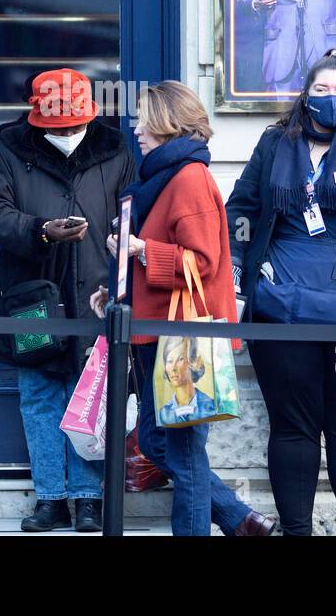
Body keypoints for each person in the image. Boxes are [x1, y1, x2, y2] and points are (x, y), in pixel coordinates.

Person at [225, 48, 336, 536]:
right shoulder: (276, 142)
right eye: (321, 89)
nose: (330, 98)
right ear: (306, 94)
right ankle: (297, 531)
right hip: (281, 307)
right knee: (293, 426)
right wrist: (242, 271)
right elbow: (241, 206)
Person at [95, 80, 275, 537]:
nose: (135, 128)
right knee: (159, 442)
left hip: (179, 336)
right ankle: (238, 518)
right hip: (156, 331)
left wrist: (139, 250)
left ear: (167, 123)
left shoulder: (188, 178)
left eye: (144, 120)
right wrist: (113, 282)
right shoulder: (161, 176)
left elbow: (201, 261)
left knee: (184, 450)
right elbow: (158, 245)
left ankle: (212, 526)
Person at [0, 68, 134, 533]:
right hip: (31, 292)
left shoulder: (116, 150)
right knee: (38, 394)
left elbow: (132, 212)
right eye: (56, 127)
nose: (66, 134)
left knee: (89, 396)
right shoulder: (10, 148)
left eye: (73, 126)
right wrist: (39, 230)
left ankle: (88, 499)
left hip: (95, 289)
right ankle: (49, 498)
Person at [157, 337, 218, 426]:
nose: (173, 368)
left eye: (180, 359)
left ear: (192, 362)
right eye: (169, 361)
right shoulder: (163, 414)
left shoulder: (210, 405)